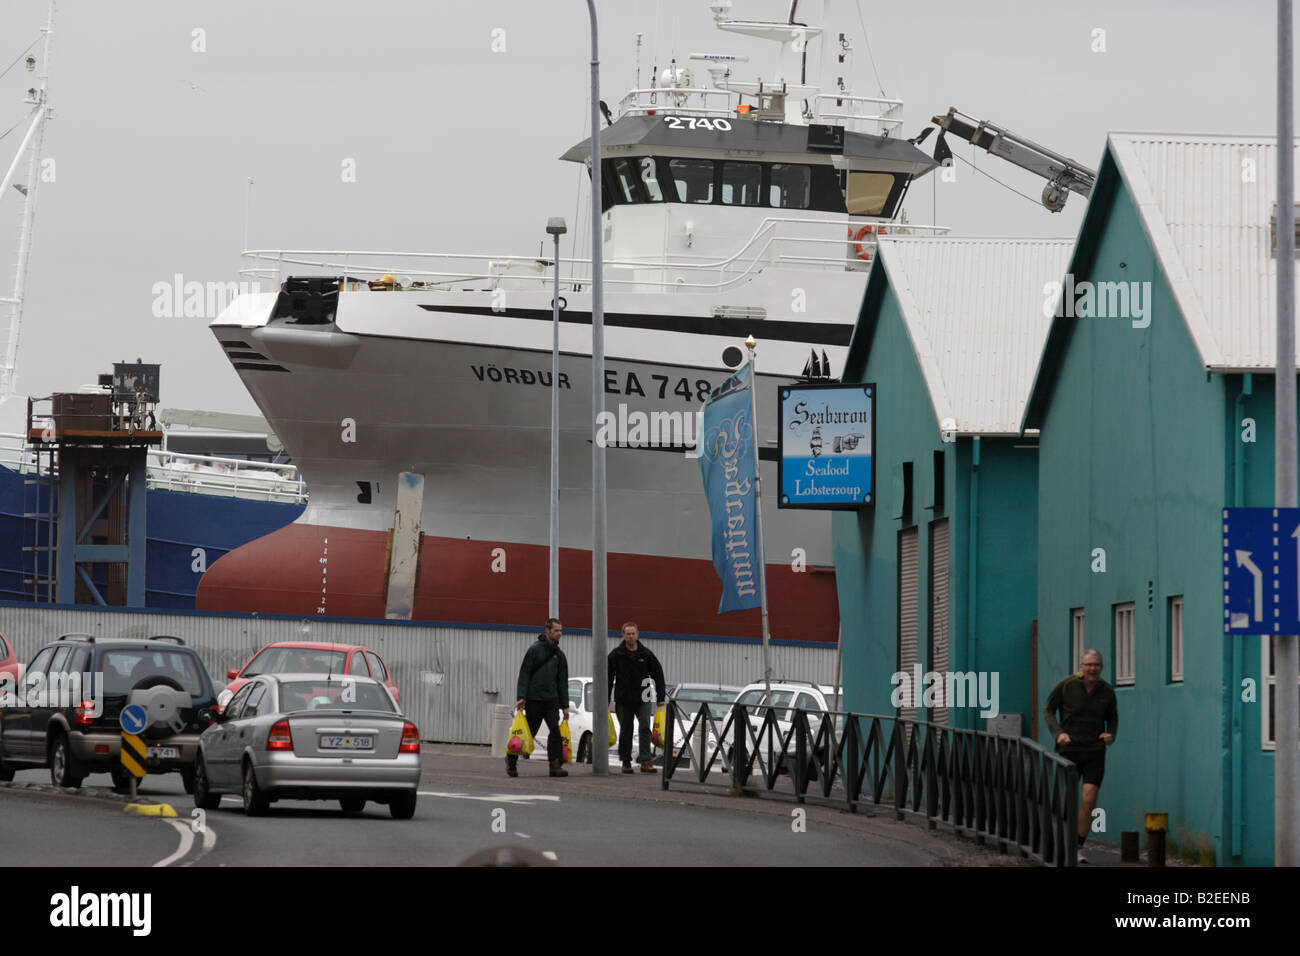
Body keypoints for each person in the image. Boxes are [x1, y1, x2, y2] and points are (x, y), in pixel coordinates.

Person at [1043, 648, 1118, 863]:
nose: (1092, 669)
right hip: (1069, 750)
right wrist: (1058, 733)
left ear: (1101, 667)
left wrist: (1110, 735)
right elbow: (1048, 709)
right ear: (1081, 667)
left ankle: (1076, 846)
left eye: (1096, 665)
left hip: (1094, 751)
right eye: (1089, 665)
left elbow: (1113, 718)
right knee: (1065, 799)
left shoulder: (1107, 691)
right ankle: (1055, 840)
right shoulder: (1067, 685)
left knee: (1089, 798)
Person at [508, 617, 570, 778]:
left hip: (551, 700)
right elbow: (525, 674)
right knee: (528, 733)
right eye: (556, 630)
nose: (559, 634)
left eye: (561, 630)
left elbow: (562, 681)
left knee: (555, 732)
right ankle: (511, 760)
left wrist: (564, 706)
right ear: (547, 631)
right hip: (534, 699)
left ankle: (554, 765)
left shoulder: (559, 655)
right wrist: (521, 697)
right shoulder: (534, 650)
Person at [607, 621, 666, 774]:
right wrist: (605, 700)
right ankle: (626, 761)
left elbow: (658, 675)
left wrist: (661, 697)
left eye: (633, 634)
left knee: (645, 727)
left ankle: (646, 760)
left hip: (643, 698)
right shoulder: (616, 655)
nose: (631, 636)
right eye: (628, 634)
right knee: (626, 729)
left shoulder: (646, 654)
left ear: (637, 634)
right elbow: (607, 678)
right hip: (623, 699)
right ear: (623, 635)